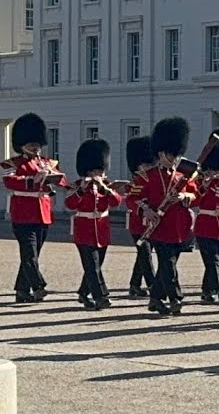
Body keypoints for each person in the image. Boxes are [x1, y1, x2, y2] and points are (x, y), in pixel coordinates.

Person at [129, 117, 198, 316]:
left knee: (169, 264)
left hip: (180, 227)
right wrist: (146, 210)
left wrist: (184, 196)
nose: (175, 158)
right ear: (161, 153)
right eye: (171, 154)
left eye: (176, 154)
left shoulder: (182, 176)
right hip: (159, 227)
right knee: (168, 264)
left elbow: (197, 195)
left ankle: (156, 299)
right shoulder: (146, 176)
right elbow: (133, 198)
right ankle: (176, 297)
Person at [2, 113, 66, 303]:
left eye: (37, 144)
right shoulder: (12, 163)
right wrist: (32, 180)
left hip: (43, 214)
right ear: (21, 144)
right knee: (29, 253)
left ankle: (22, 291)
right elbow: (11, 182)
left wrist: (54, 176)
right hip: (22, 213)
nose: (35, 147)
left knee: (33, 254)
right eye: (31, 144)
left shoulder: (46, 163)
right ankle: (39, 286)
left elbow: (62, 180)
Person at [67, 138, 121, 310]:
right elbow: (70, 204)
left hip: (102, 230)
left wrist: (105, 189)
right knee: (92, 265)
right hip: (84, 230)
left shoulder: (107, 186)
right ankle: (101, 296)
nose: (97, 174)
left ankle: (83, 293)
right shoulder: (77, 186)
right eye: (93, 171)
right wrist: (82, 190)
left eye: (99, 170)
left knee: (95, 266)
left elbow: (116, 202)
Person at [193, 129, 219, 305]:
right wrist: (205, 184)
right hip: (205, 224)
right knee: (212, 260)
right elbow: (195, 199)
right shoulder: (200, 178)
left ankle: (207, 291)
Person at [124, 136, 157, 299]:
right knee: (146, 254)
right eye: (146, 164)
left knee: (143, 254)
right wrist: (144, 209)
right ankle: (153, 285)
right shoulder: (137, 182)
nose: (149, 167)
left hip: (153, 224)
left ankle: (134, 285)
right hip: (139, 224)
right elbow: (132, 200)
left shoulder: (155, 179)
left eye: (151, 164)